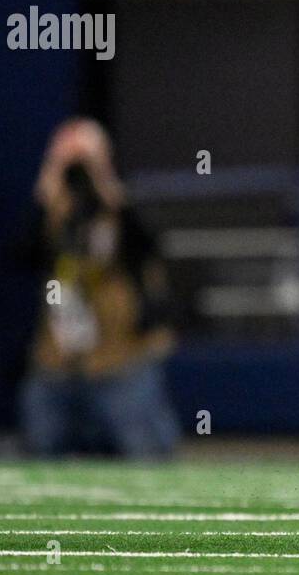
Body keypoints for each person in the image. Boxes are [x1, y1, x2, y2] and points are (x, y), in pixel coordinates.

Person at [19, 118, 179, 457]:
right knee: (41, 450)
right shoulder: (52, 212)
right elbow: (22, 256)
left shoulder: (122, 207)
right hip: (58, 355)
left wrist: (106, 188)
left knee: (146, 451)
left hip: (121, 355)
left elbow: (148, 247)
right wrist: (47, 191)